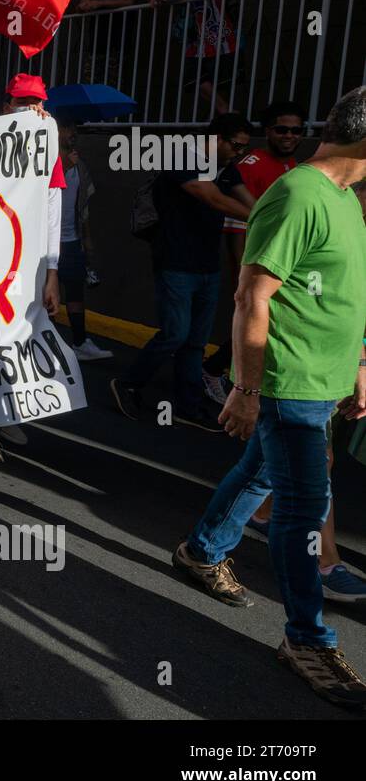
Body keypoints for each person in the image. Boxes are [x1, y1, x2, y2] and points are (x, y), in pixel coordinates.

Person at [173, 86, 366, 708]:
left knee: (259, 473)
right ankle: (306, 639)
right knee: (303, 511)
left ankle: (202, 551)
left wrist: (357, 366)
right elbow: (252, 297)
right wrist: (247, 390)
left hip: (323, 381)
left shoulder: (343, 198)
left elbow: (336, 295)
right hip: (291, 386)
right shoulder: (300, 194)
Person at [110, 113, 253, 431]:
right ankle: (128, 383)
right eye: (235, 145)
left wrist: (267, 213)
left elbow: (246, 198)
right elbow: (212, 197)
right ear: (215, 137)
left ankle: (188, 405)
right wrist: (260, 218)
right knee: (175, 334)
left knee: (196, 342)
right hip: (175, 262)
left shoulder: (226, 167)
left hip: (207, 266)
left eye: (244, 147)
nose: (239, 152)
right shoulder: (182, 158)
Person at [0, 74, 63, 464]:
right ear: (7, 105)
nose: (29, 109)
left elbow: (54, 207)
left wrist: (52, 269)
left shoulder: (47, 142)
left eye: (35, 102)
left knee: (19, 340)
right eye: (21, 102)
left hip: (29, 262)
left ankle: (3, 411)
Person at [204, 102, 304, 402]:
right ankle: (214, 372)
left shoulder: (292, 165)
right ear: (268, 131)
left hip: (280, 255)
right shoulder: (251, 164)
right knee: (256, 319)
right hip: (256, 258)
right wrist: (243, 270)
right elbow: (235, 222)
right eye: (282, 129)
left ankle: (219, 372)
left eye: (296, 130)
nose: (289, 136)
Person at [55, 123, 112, 361]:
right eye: (68, 129)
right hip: (45, 242)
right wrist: (64, 165)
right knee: (43, 296)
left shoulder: (79, 166)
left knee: (75, 292)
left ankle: (79, 343)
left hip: (71, 240)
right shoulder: (45, 162)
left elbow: (83, 207)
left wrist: (86, 239)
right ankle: (44, 347)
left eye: (75, 131)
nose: (73, 135)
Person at [76, 0, 135, 87]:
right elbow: (82, 3)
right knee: (90, 80)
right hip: (96, 41)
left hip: (117, 40)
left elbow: (129, 0)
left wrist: (99, 3)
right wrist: (83, 7)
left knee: (113, 82)